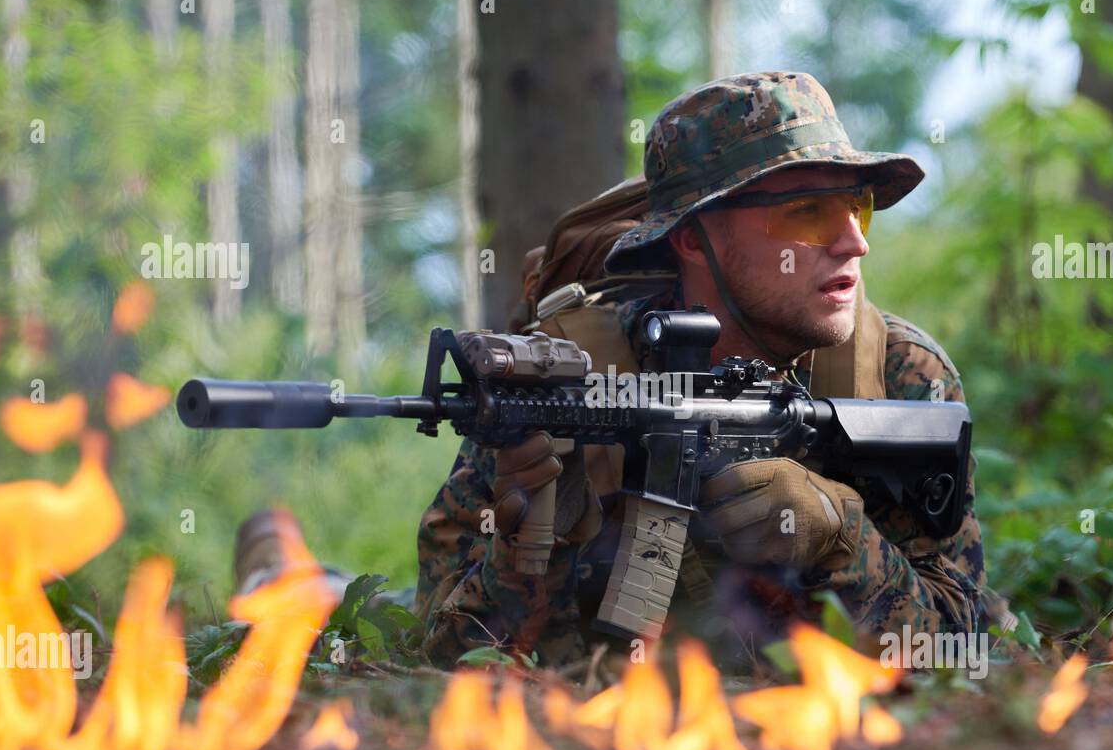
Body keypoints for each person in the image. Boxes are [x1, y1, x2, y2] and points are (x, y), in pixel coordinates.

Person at [412, 70, 1013, 671]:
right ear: (695, 240)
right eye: (807, 213)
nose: (854, 243)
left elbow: (959, 651)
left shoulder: (895, 374)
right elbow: (434, 665)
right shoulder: (563, 383)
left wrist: (843, 539)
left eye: (858, 208)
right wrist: (526, 550)